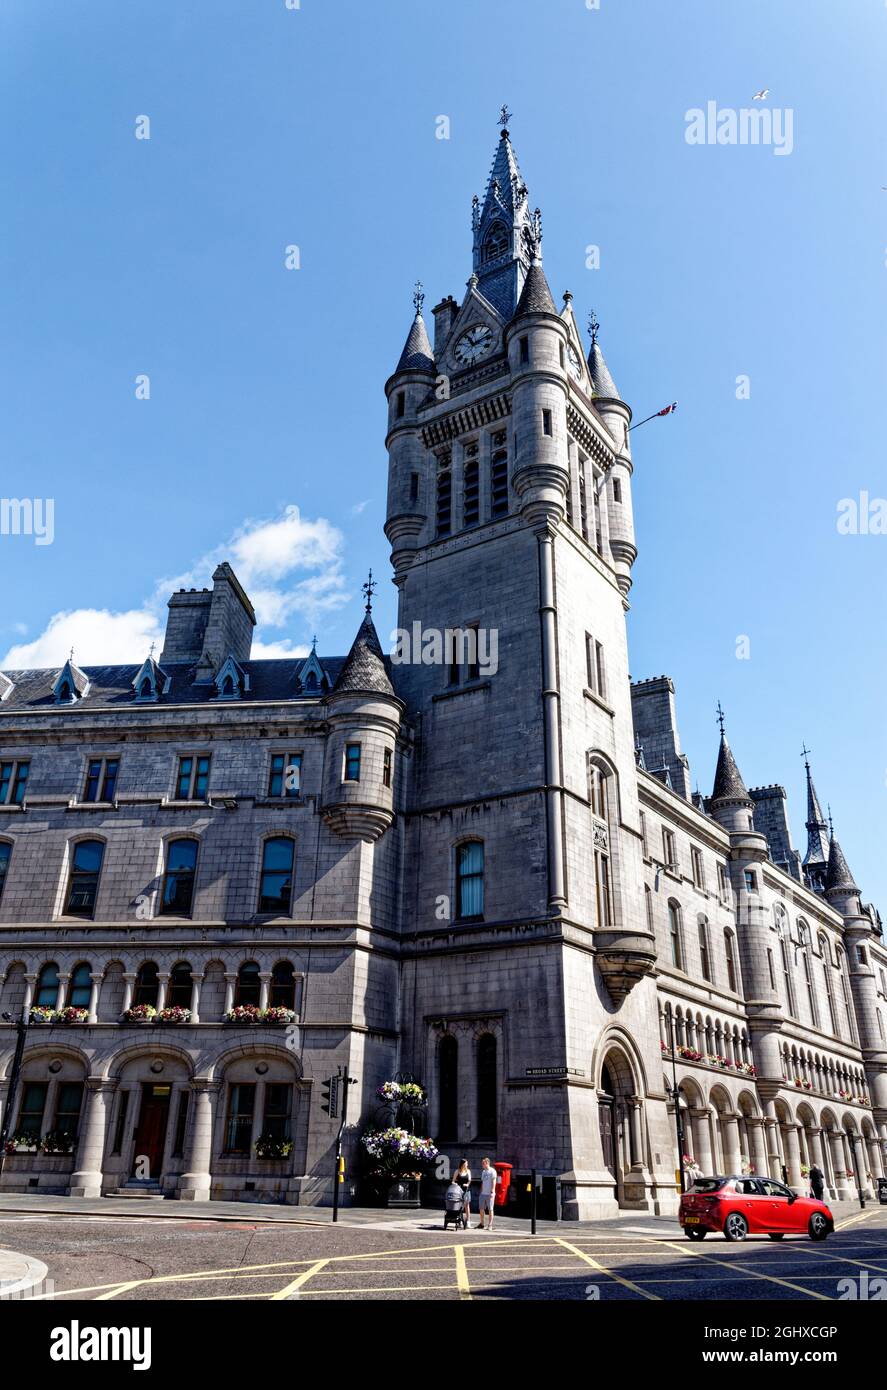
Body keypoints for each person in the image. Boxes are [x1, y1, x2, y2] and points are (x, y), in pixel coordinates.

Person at [477, 1156, 498, 1229]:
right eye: (482, 1163)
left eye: (483, 1163)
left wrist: (492, 1191)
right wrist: (481, 1191)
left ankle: (490, 1225)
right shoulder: (483, 1172)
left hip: (490, 1193)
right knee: (481, 1208)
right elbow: (482, 1182)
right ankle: (482, 1223)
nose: (482, 1164)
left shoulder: (492, 1171)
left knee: (490, 1209)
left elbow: (494, 1181)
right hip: (483, 1193)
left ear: (487, 1163)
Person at [454, 1158, 471, 1227]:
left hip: (466, 1190)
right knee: (459, 1206)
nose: (466, 1165)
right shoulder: (457, 1171)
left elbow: (469, 1180)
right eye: (465, 1164)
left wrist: (467, 1184)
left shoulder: (468, 1171)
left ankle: (468, 1221)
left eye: (467, 1164)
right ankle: (459, 1220)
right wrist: (455, 1184)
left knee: (467, 1206)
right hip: (458, 1191)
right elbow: (453, 1180)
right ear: (462, 1164)